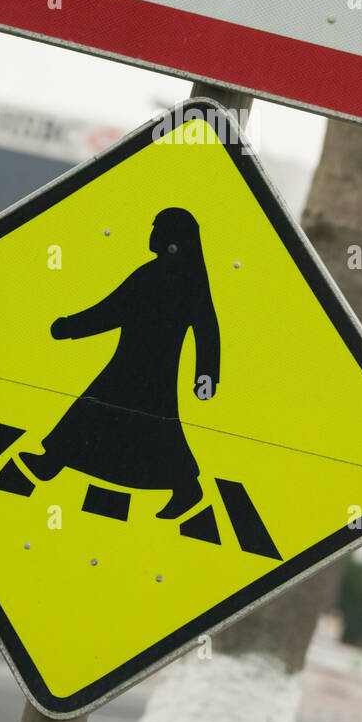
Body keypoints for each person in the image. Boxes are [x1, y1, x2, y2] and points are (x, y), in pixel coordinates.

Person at [19, 208, 219, 520]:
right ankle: (51, 461)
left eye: (157, 228)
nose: (151, 234)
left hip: (155, 371)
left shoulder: (187, 282)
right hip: (127, 362)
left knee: (154, 426)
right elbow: (111, 311)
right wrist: (70, 328)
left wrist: (206, 376)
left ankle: (186, 488)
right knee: (95, 410)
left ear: (172, 239)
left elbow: (207, 330)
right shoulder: (150, 273)